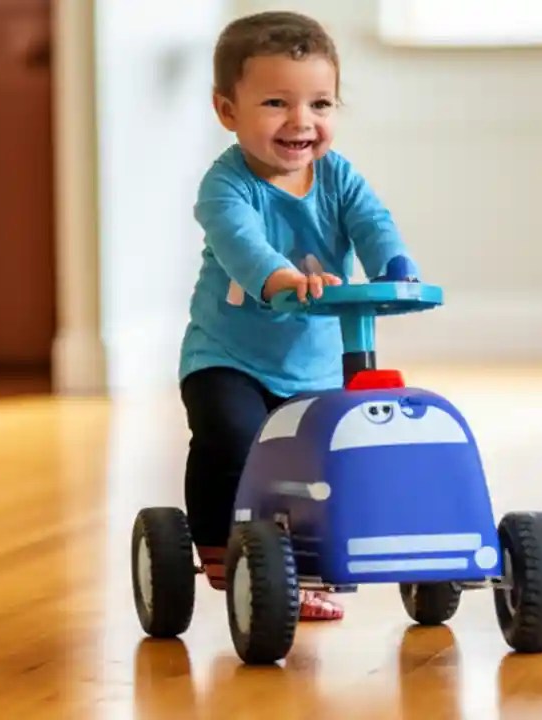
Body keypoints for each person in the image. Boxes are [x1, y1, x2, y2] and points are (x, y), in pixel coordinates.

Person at [178, 10, 420, 621]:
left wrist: (393, 264)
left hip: (312, 362)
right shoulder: (225, 187)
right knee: (231, 437)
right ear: (227, 111)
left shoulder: (337, 176)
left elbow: (373, 221)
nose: (301, 121)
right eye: (276, 103)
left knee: (315, 462)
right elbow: (244, 247)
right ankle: (214, 540)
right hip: (227, 357)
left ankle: (301, 565)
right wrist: (284, 279)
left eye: (320, 103)